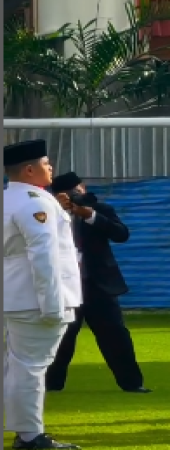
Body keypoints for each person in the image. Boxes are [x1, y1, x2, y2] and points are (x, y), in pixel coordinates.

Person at [4, 140, 82, 449]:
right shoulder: (37, 202)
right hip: (33, 297)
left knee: (14, 366)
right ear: (29, 169)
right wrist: (52, 304)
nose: (51, 168)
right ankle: (29, 435)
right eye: (46, 163)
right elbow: (43, 257)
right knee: (30, 367)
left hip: (12, 292)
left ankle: (26, 432)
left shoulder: (8, 198)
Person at [45, 171, 147, 394]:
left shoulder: (100, 210)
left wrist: (89, 215)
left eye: (79, 189)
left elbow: (121, 234)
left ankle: (132, 383)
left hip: (99, 285)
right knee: (62, 338)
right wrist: (58, 211)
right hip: (65, 286)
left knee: (115, 335)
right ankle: (51, 384)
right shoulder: (47, 214)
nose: (77, 194)